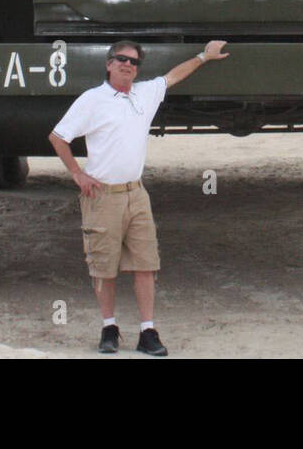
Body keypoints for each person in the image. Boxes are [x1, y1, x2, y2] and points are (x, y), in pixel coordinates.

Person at [48, 38, 228, 356]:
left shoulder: (145, 93)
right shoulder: (93, 100)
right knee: (103, 268)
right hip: (102, 195)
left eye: (133, 62)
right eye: (121, 59)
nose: (127, 65)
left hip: (136, 193)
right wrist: (77, 173)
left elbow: (173, 76)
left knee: (146, 265)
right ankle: (109, 327)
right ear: (108, 64)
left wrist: (204, 56)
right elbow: (58, 137)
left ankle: (148, 331)